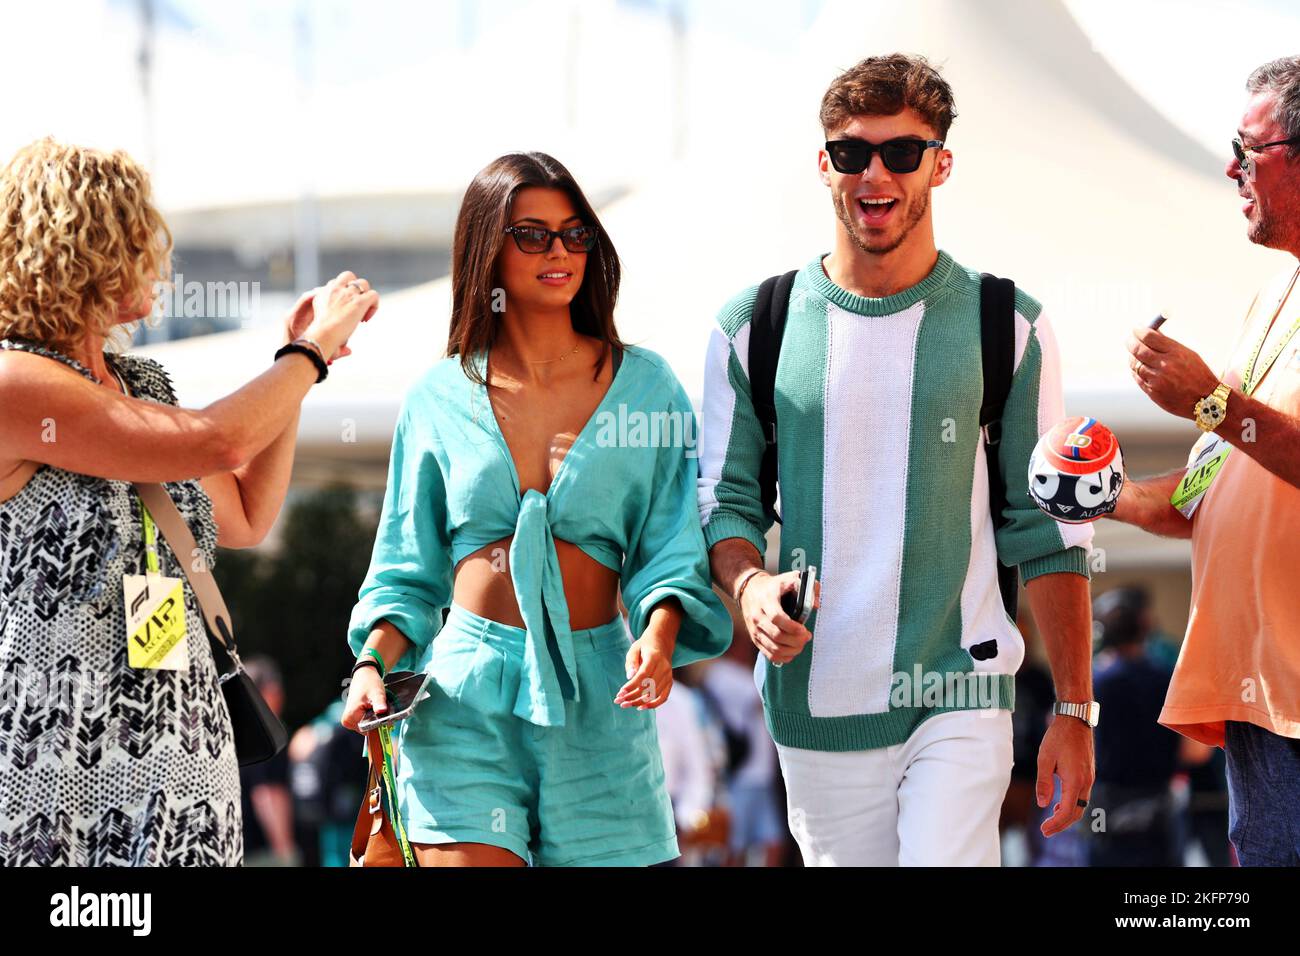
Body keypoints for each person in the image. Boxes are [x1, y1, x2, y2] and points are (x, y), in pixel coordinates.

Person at [698, 54, 1097, 866]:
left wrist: (1075, 710)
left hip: (961, 688)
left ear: (940, 165)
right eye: (852, 153)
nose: (874, 173)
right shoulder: (752, 324)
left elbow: (1048, 531)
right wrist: (748, 587)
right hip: (816, 706)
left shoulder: (1007, 325)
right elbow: (724, 498)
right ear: (824, 164)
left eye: (902, 153)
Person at [342, 152, 732, 867]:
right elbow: (407, 571)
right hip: (462, 698)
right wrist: (371, 664)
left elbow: (671, 549)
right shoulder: (436, 397)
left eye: (575, 234)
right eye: (533, 234)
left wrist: (661, 634)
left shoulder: (648, 389)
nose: (559, 251)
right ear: (488, 249)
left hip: (606, 696)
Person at [0, 138, 377, 866]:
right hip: (53, 774)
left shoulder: (143, 383)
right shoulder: (16, 382)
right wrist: (315, 353)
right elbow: (220, 440)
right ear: (92, 243)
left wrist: (296, 365)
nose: (159, 261)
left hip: (183, 761)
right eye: (142, 236)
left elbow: (244, 514)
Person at [1112, 56, 1300, 866]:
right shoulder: (1270, 299)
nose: (1230, 166)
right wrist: (1091, 494)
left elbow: (1227, 423)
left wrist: (1212, 404)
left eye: (1247, 147)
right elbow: (1198, 496)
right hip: (1260, 698)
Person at [1086, 588, 1182, 867]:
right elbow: (1194, 751)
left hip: (1107, 801)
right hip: (1158, 801)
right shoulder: (1166, 678)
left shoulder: (1095, 682)